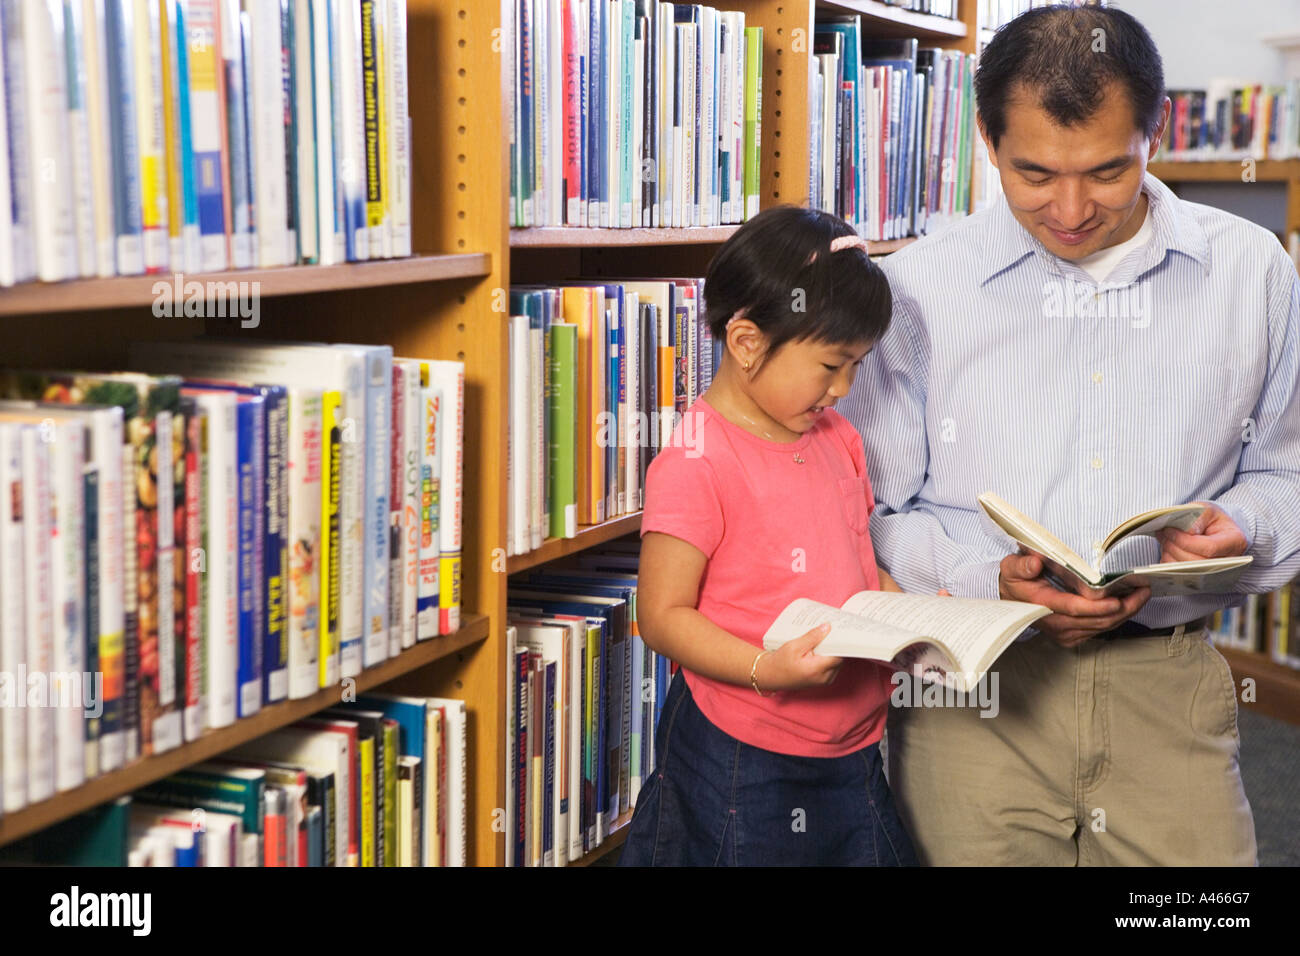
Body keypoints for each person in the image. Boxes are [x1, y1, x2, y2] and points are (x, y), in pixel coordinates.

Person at [841, 4, 1300, 866]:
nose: (1072, 208)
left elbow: (1288, 473)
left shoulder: (1256, 273)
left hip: (1170, 687)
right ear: (985, 140)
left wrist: (1251, 526)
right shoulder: (915, 291)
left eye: (1106, 170)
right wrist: (988, 577)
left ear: (1155, 132)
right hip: (971, 693)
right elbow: (873, 511)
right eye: (1035, 173)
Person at [618, 206, 917, 866]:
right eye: (832, 365)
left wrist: (915, 620)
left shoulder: (838, 438)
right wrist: (764, 669)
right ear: (747, 341)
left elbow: (856, 566)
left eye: (859, 366)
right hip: (743, 754)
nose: (843, 389)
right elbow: (663, 616)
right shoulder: (698, 460)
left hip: (853, 747)